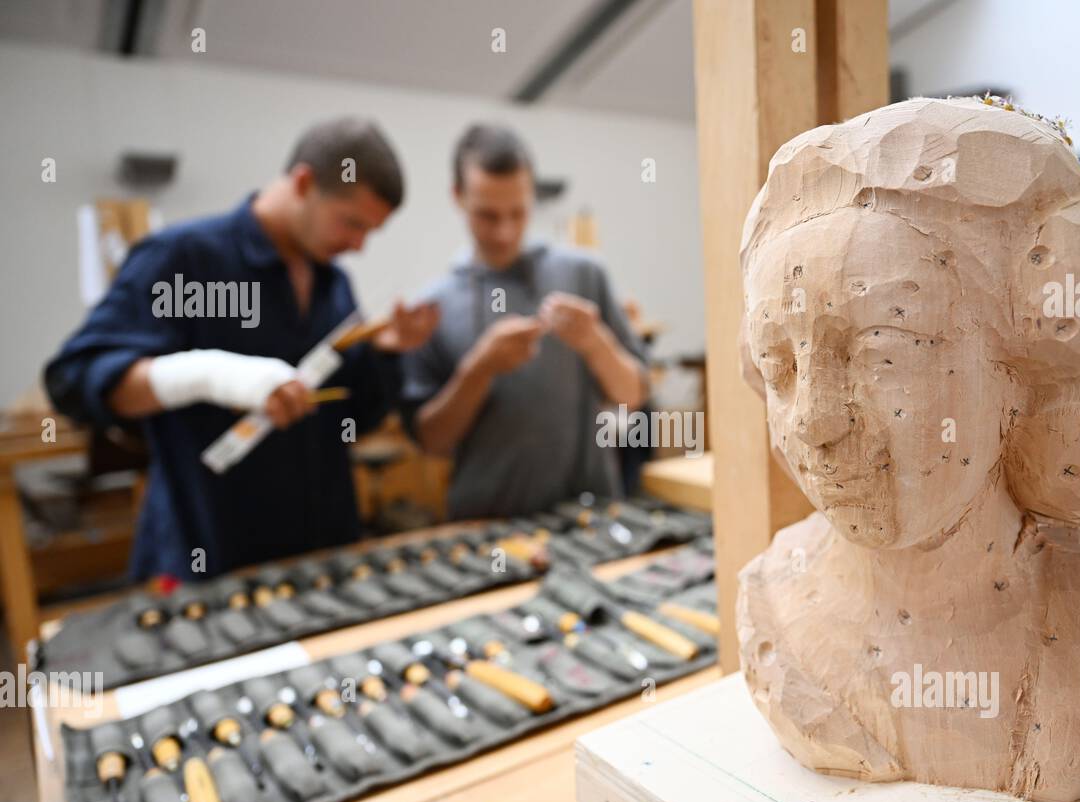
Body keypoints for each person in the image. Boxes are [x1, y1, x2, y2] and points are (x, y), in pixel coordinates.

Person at [44, 117, 438, 580]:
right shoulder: (186, 260)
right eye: (351, 223)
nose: (357, 246)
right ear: (304, 183)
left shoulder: (334, 284)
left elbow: (350, 420)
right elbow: (76, 377)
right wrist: (213, 376)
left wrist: (386, 354)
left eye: (370, 232)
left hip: (321, 558)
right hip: (211, 557)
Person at [402, 124, 647, 520]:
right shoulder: (432, 307)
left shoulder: (585, 274)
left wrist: (595, 342)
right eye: (487, 215)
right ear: (457, 197)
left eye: (518, 213)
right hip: (486, 526)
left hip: (589, 517)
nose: (505, 232)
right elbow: (431, 441)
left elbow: (632, 395)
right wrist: (478, 369)